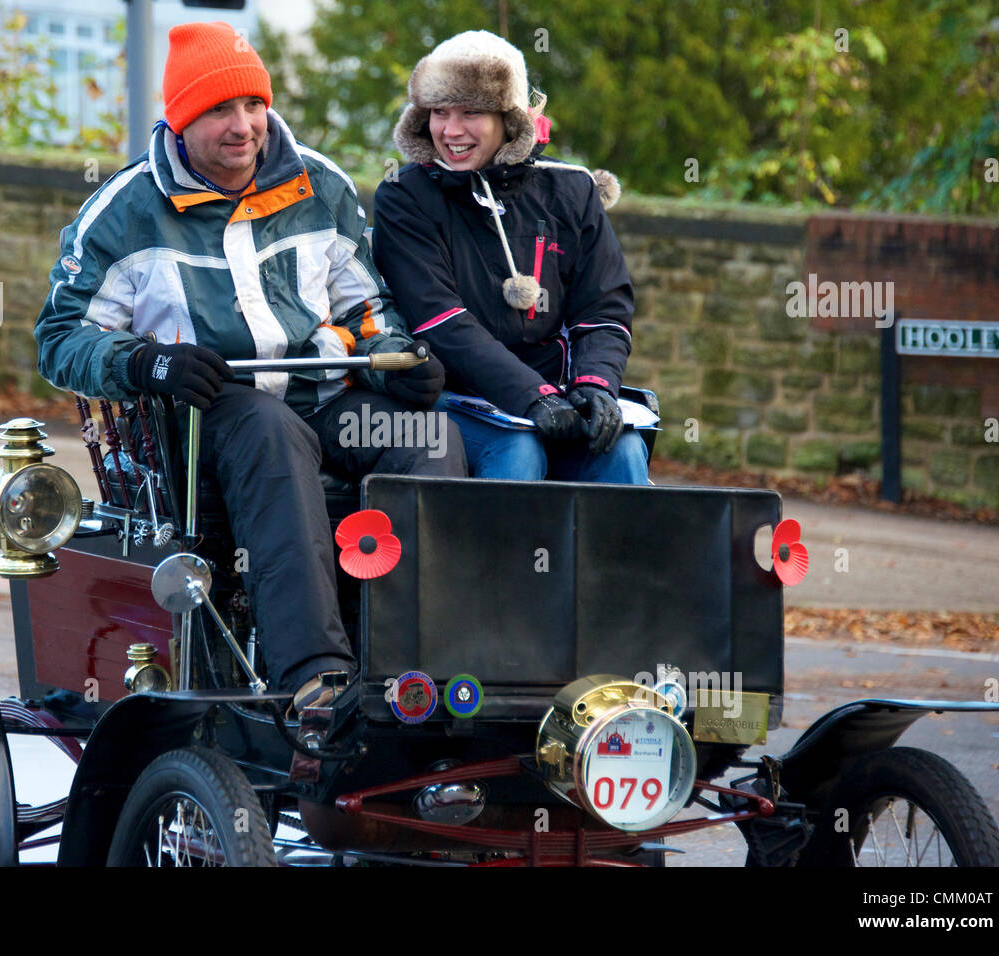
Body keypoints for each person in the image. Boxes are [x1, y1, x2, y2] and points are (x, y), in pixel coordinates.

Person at [34, 21, 465, 714]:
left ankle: (415, 665)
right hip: (199, 421)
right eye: (219, 111)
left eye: (254, 106)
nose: (244, 127)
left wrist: (396, 362)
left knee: (433, 440)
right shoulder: (122, 212)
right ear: (180, 119)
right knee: (270, 433)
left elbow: (367, 307)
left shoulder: (318, 185)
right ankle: (315, 677)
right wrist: (146, 362)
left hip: (325, 402)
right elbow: (59, 340)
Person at [373, 30, 650, 483]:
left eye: (472, 112)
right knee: (520, 452)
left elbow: (603, 310)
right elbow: (439, 321)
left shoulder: (571, 189)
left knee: (622, 450)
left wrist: (595, 386)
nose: (451, 131)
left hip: (556, 395)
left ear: (511, 118)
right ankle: (501, 557)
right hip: (453, 396)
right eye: (439, 112)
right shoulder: (405, 196)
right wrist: (531, 396)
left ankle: (617, 557)